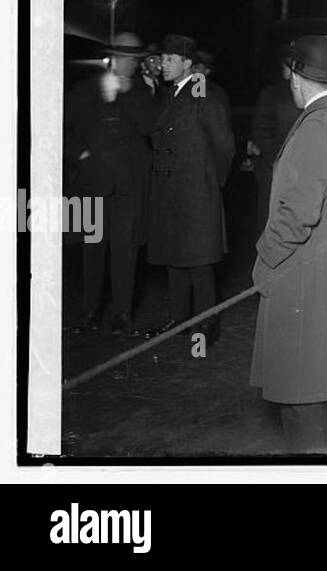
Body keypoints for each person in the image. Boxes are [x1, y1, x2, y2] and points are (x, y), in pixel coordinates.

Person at [250, 35, 327, 455]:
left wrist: (264, 260)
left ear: (298, 77)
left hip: (302, 270)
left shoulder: (317, 127)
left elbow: (296, 214)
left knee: (301, 393)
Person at [144, 33, 235, 343]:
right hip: (171, 193)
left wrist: (211, 184)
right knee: (175, 257)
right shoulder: (168, 93)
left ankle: (207, 325)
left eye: (170, 60)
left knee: (198, 262)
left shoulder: (201, 91)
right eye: (162, 59)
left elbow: (224, 144)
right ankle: (180, 319)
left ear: (186, 63)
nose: (163, 65)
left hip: (196, 191)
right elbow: (154, 134)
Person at [64, 32, 154, 336]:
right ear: (112, 58)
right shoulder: (84, 90)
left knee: (124, 251)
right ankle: (90, 312)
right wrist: (79, 154)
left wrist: (124, 94)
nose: (131, 65)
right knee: (92, 251)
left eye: (135, 60)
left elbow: (149, 126)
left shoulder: (141, 92)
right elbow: (57, 128)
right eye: (126, 59)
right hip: (93, 184)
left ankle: (122, 314)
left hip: (128, 187)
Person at [250, 59, 300, 237]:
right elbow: (263, 133)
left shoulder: (306, 95)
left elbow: (262, 133)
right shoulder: (273, 95)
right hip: (274, 172)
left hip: (282, 170)